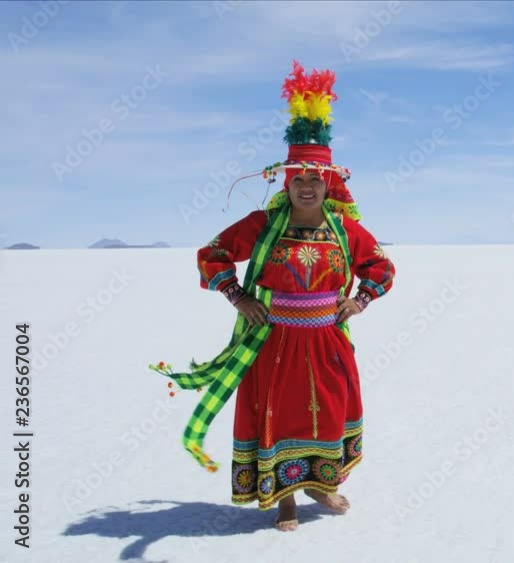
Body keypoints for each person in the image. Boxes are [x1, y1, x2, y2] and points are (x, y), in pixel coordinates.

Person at [151, 61, 394, 532]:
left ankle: (321, 484)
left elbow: (382, 268)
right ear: (287, 183)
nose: (306, 186)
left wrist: (359, 301)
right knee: (278, 418)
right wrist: (238, 297)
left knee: (330, 412)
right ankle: (282, 498)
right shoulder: (262, 227)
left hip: (328, 341)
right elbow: (212, 254)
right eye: (298, 178)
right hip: (274, 341)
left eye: (315, 179)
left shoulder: (346, 230)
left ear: (329, 184)